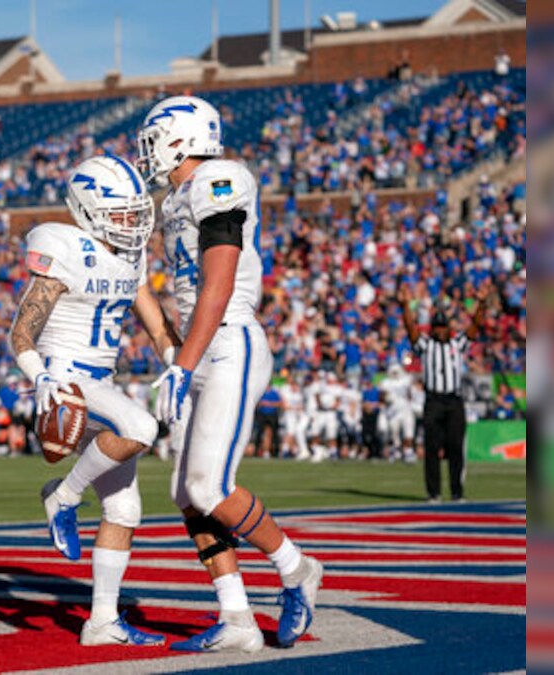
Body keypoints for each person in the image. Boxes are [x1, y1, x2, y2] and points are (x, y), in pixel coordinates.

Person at [139, 95, 323, 652]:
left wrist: (184, 362)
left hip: (229, 341)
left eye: (154, 138)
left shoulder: (218, 178)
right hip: (201, 346)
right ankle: (237, 617)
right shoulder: (176, 199)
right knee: (186, 493)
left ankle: (297, 568)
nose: (149, 151)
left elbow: (217, 286)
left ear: (179, 138)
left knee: (208, 485)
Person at [9, 155, 175, 647]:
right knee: (141, 429)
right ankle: (63, 495)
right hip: (64, 379)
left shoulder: (132, 255)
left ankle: (101, 620)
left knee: (124, 512)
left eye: (136, 211)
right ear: (87, 210)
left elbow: (154, 320)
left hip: (102, 382)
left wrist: (177, 362)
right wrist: (39, 377)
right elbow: (22, 331)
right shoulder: (64, 249)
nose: (135, 222)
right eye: (122, 213)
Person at [398, 283, 490, 503]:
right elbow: (411, 328)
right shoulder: (426, 345)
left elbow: (475, 326)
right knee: (432, 448)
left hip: (453, 400)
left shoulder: (458, 343)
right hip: (433, 400)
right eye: (436, 327)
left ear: (449, 327)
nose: (439, 331)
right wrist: (405, 305)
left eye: (442, 327)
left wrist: (482, 303)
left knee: (456, 447)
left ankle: (457, 492)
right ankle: (434, 493)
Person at [381, 363, 417, 462]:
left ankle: (408, 452)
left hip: (405, 409)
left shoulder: (406, 380)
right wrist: (387, 399)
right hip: (393, 411)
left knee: (408, 431)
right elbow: (382, 397)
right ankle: (395, 451)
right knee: (394, 433)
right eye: (393, 372)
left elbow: (410, 394)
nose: (395, 374)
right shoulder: (386, 382)